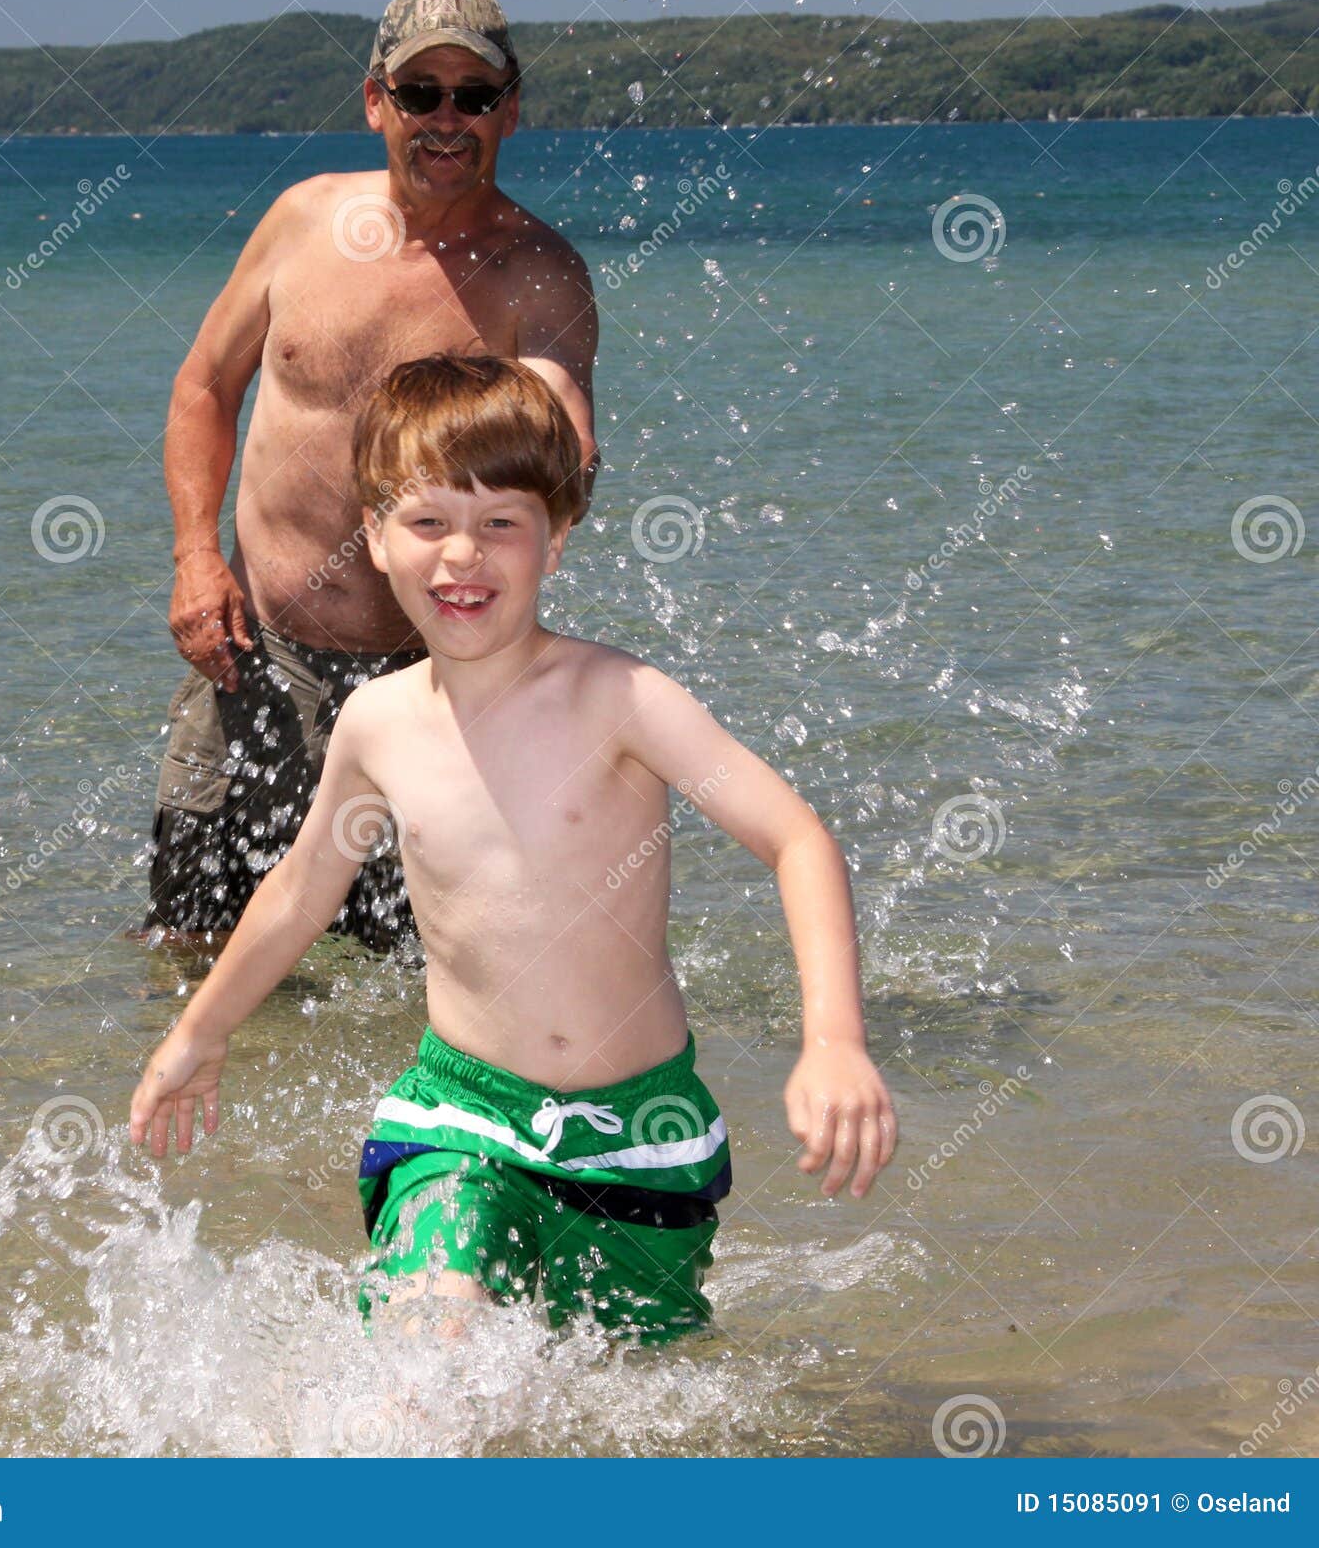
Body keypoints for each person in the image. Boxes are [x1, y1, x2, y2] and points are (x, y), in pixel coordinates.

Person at [129, 356, 897, 1344]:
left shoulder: (620, 701)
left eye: (502, 524)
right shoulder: (378, 724)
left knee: (632, 1397)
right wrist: (199, 1032)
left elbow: (795, 838)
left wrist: (833, 1042)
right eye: (427, 522)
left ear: (557, 537)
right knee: (429, 1356)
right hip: (460, 1115)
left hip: (642, 1130)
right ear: (371, 536)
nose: (463, 556)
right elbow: (299, 890)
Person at [145, 0, 598, 954]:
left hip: (433, 683)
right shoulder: (302, 222)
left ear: (509, 110)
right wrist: (194, 555)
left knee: (415, 971)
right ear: (373, 102)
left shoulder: (538, 271)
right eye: (419, 92)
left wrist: (561, 455)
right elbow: (202, 390)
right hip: (252, 658)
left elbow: (565, 439)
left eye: (472, 96)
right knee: (186, 947)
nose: (445, 120)